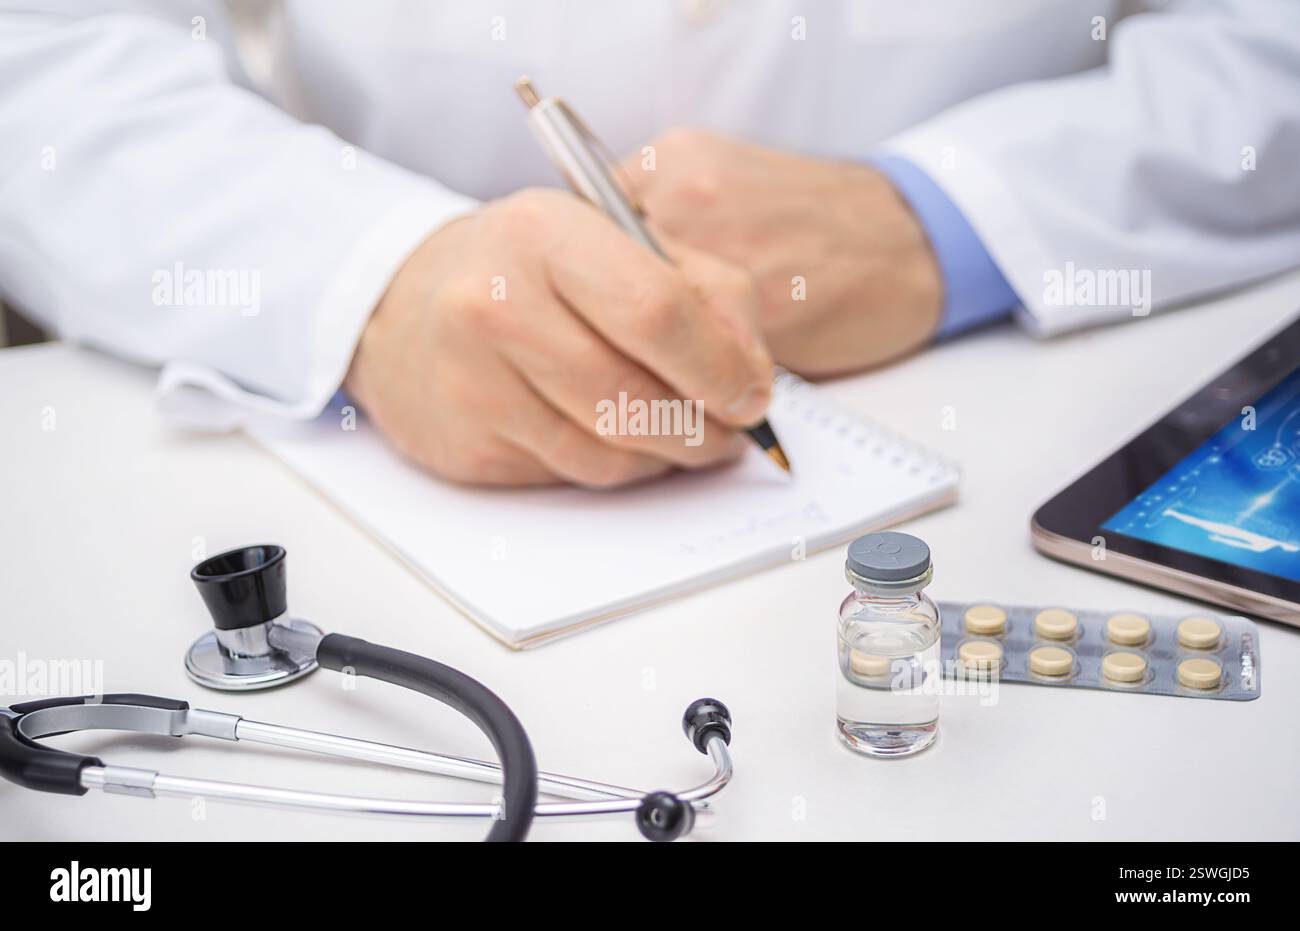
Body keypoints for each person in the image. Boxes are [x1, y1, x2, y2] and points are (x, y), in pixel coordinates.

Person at [2, 0, 1298, 488]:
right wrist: (373, 277)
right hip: (381, 471)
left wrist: (944, 217)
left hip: (1044, 384)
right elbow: (43, 47)